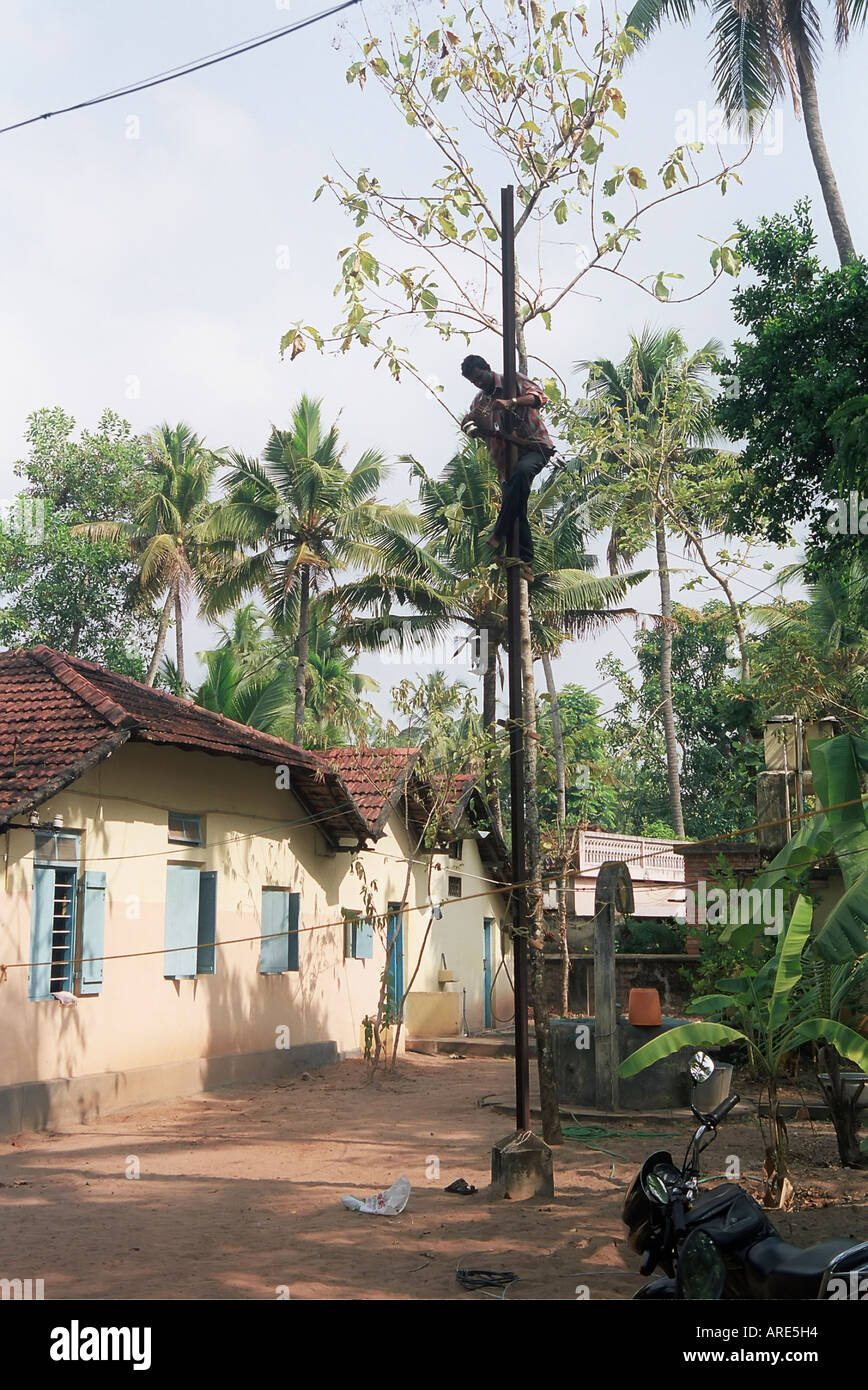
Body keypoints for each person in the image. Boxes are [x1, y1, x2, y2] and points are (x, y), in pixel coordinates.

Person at [460, 354, 554, 575]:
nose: (479, 383)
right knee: (517, 504)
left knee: (521, 475)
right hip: (505, 463)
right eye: (474, 381)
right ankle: (525, 563)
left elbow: (539, 397)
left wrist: (511, 401)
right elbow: (474, 424)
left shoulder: (513, 381)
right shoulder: (479, 402)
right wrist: (471, 426)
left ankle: (498, 533)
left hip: (534, 448)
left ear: (487, 369)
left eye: (480, 377)